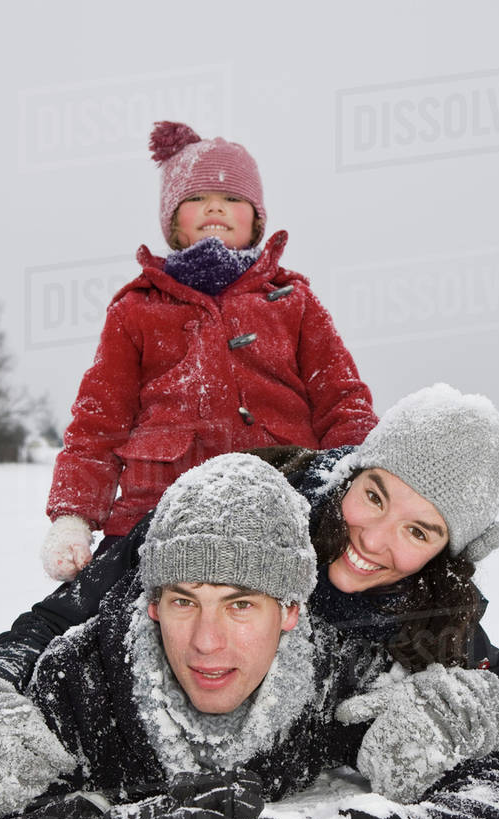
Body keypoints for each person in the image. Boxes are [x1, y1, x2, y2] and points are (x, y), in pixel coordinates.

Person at [0, 411, 499, 819]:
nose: (374, 538)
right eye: (375, 497)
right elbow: (61, 619)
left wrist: (458, 723)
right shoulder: (222, 518)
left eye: (418, 531)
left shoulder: (418, 626)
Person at [41, 120, 375, 581]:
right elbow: (99, 421)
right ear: (172, 220)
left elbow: (343, 402)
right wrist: (73, 517)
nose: (215, 204)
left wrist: (352, 489)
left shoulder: (295, 303)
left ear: (257, 219)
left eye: (233, 198)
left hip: (284, 507)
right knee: (81, 621)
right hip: (154, 514)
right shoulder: (135, 310)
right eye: (196, 197)